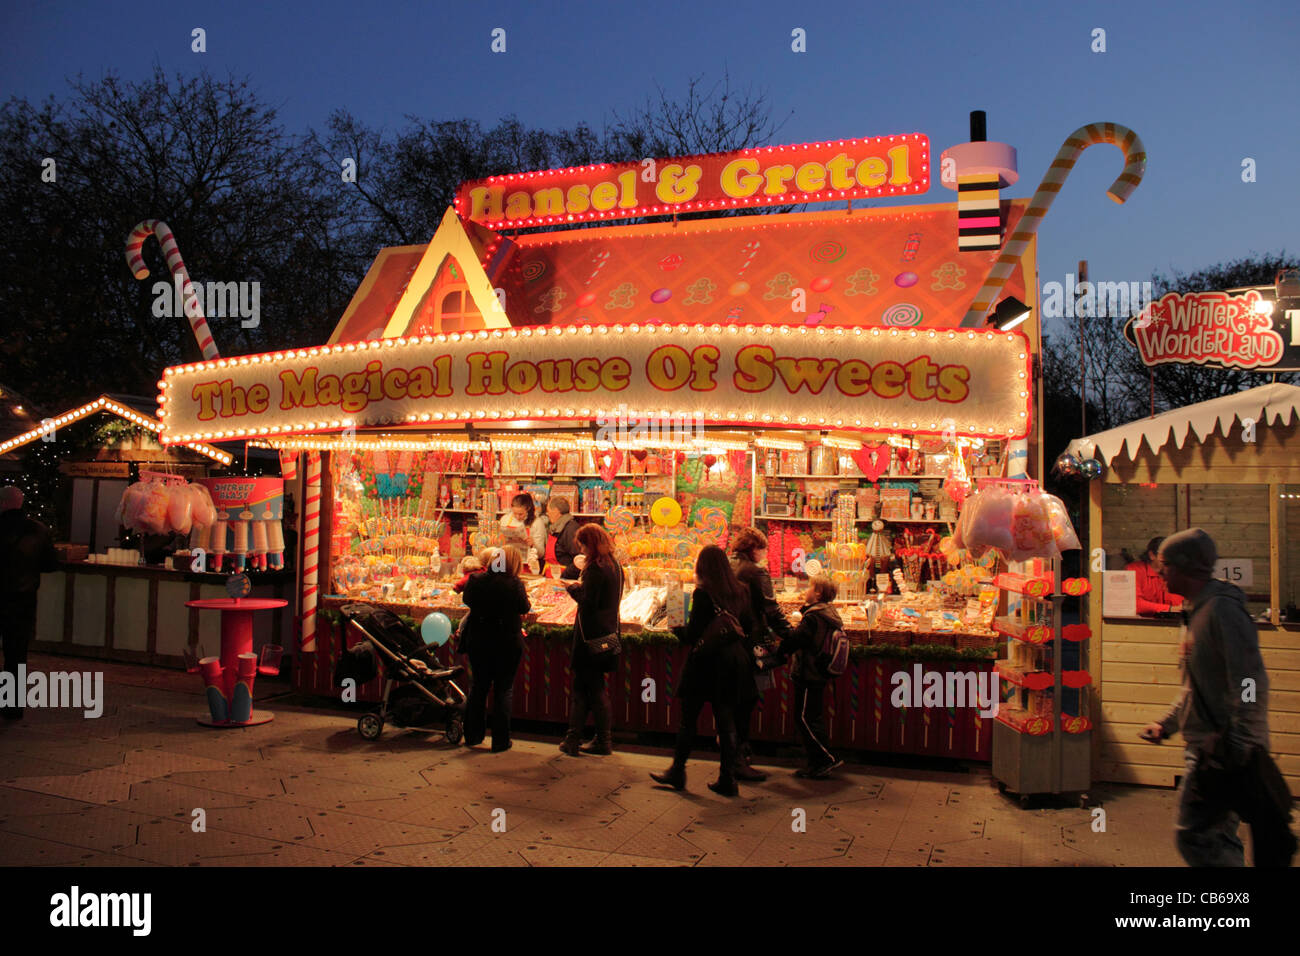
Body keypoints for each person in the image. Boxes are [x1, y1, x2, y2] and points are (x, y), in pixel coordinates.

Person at [1138, 528, 1275, 866]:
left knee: (1198, 836)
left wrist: (1241, 744)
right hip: (1208, 748)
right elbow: (1194, 686)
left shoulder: (1221, 613)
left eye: (1165, 564)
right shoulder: (1195, 611)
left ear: (1186, 567)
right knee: (1213, 836)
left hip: (1223, 752)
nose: (1158, 571)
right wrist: (1167, 724)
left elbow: (1250, 681)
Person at [650, 545, 755, 797]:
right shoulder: (741, 591)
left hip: (706, 664)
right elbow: (750, 626)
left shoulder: (703, 594)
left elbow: (693, 634)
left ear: (702, 566)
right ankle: (728, 778)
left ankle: (677, 771)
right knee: (726, 720)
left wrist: (676, 623)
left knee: (688, 720)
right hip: (734, 662)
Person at [729, 526, 794, 782]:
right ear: (755, 549)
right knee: (747, 699)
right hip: (752, 643)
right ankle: (740, 758)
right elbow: (771, 609)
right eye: (762, 550)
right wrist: (791, 635)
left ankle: (731, 755)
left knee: (733, 701)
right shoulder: (756, 572)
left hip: (728, 641)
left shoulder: (724, 565)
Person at [559, 524, 623, 755]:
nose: (583, 550)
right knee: (590, 687)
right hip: (608, 633)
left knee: (588, 689)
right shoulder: (614, 565)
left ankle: (590, 740)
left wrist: (573, 588)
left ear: (591, 544)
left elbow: (588, 602)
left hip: (591, 637)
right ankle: (583, 739)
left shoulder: (596, 569)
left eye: (584, 545)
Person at [460, 546, 530, 752]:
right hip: (506, 641)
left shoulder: (476, 580)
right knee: (503, 689)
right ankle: (500, 741)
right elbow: (524, 608)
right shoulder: (514, 584)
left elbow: (466, 600)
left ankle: (472, 736)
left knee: (479, 687)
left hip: (479, 639)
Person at [775, 575, 845, 778]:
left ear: (818, 593)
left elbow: (797, 640)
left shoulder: (814, 617)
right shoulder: (829, 613)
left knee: (804, 717)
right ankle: (816, 763)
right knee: (812, 716)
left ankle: (826, 758)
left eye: (809, 587)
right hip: (820, 671)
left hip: (809, 672)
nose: (805, 590)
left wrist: (781, 646)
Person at [0, 486, 58, 720]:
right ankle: (12, 706)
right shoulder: (38, 529)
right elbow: (51, 564)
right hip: (23, 600)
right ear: (20, 502)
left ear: (2, 503)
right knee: (16, 654)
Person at [1125, 536, 1184, 617]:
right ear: (1152, 555)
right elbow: (1134, 604)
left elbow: (1181, 604)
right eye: (1165, 560)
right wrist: (1169, 609)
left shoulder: (1174, 573)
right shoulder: (1135, 570)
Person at [500, 492, 546, 574]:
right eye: (515, 514)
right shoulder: (505, 519)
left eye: (520, 514)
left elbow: (541, 553)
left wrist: (533, 544)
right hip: (509, 564)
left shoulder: (537, 523)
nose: (517, 517)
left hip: (528, 567)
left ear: (528, 509)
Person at [546, 496, 581, 580]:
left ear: (556, 511)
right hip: (553, 577)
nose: (547, 514)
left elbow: (579, 559)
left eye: (548, 511)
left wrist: (564, 576)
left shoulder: (571, 529)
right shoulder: (556, 527)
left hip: (565, 580)